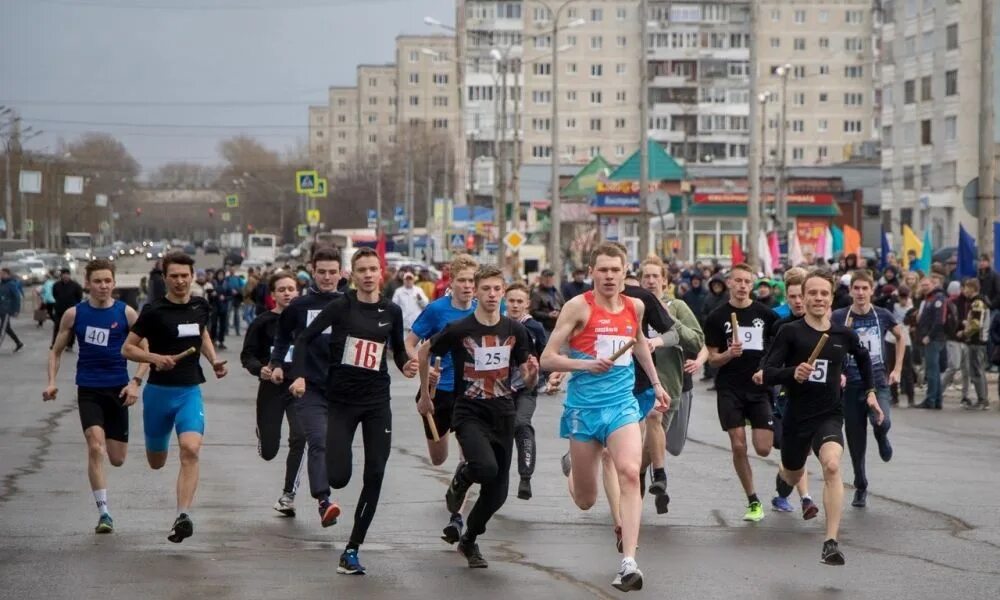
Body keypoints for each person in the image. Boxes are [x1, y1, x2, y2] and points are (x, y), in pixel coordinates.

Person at [540, 243, 669, 592]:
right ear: (592, 272)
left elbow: (639, 342)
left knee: (629, 472)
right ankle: (573, 467)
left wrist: (656, 384)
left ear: (626, 272)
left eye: (616, 270)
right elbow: (547, 359)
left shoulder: (635, 306)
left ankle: (629, 562)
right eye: (603, 270)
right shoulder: (577, 307)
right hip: (583, 410)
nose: (610, 276)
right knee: (586, 500)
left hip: (622, 405)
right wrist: (584, 364)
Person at [292, 247, 418, 575]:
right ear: (352, 273)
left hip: (377, 402)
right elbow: (304, 339)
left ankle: (352, 548)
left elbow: (399, 353)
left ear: (381, 272)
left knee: (375, 473)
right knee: (339, 476)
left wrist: (408, 366)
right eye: (361, 269)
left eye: (372, 269)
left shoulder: (391, 310)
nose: (367, 274)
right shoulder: (340, 307)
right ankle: (331, 495)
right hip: (342, 403)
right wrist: (300, 375)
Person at [418, 265, 539, 569]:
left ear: (503, 291)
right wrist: (425, 393)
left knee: (497, 494)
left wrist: (532, 375)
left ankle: (469, 539)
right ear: (477, 290)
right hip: (469, 411)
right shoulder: (461, 329)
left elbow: (525, 377)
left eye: (497, 289)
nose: (491, 294)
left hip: (503, 412)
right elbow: (424, 352)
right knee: (484, 468)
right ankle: (462, 478)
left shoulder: (515, 330)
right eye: (485, 288)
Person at [763, 271, 883, 565]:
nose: (818, 298)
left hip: (829, 414)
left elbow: (864, 359)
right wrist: (793, 373)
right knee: (792, 473)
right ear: (802, 298)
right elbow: (768, 371)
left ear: (831, 298)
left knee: (831, 465)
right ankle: (784, 479)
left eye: (824, 293)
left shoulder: (843, 334)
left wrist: (870, 392)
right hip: (796, 417)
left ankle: (830, 542)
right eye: (812, 293)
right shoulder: (790, 332)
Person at [122, 252, 228, 543]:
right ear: (165, 278)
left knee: (191, 449)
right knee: (157, 461)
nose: (180, 281)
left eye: (185, 275)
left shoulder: (200, 305)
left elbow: (202, 334)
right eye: (174, 276)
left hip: (189, 391)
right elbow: (128, 349)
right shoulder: (154, 311)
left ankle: (182, 515)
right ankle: (159, 453)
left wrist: (214, 360)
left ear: (193, 276)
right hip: (158, 394)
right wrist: (155, 357)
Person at [43, 259, 147, 534]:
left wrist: (135, 383)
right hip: (88, 389)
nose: (103, 286)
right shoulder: (74, 315)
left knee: (117, 458)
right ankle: (104, 513)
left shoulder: (126, 314)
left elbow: (146, 352)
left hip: (119, 390)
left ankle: (105, 504)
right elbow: (55, 351)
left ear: (114, 283)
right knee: (94, 445)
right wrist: (52, 382)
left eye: (107, 281)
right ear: (88, 283)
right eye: (98, 281)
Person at [404, 254, 478, 544]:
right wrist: (419, 366)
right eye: (462, 280)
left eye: (473, 281)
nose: (468, 286)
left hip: (470, 391)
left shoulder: (482, 310)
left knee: (467, 456)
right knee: (438, 458)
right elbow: (411, 343)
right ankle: (455, 490)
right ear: (452, 281)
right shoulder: (437, 310)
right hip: (437, 392)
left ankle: (456, 518)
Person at [267, 247, 344, 528]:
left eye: (332, 272)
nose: (326, 277)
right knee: (317, 440)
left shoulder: (349, 303)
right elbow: (282, 337)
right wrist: (277, 363)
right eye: (321, 272)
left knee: (337, 448)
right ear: (313, 272)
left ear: (341, 273)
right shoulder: (300, 306)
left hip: (341, 386)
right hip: (307, 385)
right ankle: (324, 501)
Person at [704, 263, 777, 522]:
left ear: (752, 285)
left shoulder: (766, 315)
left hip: (758, 388)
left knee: (764, 448)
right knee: (738, 445)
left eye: (747, 281)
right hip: (730, 387)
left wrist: (769, 369)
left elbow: (778, 348)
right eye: (738, 281)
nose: (743, 286)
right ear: (730, 284)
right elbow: (711, 359)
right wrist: (727, 354)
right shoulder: (716, 317)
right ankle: (753, 500)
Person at [831, 270, 903, 508]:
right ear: (850, 291)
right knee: (855, 440)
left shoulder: (882, 315)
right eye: (856, 288)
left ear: (872, 290)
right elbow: (828, 342)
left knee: (882, 421)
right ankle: (860, 485)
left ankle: (882, 437)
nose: (860, 293)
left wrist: (898, 369)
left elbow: (901, 336)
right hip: (850, 384)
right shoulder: (840, 316)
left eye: (865, 288)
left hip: (878, 380)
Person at [641, 257, 704, 514]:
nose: (651, 280)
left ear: (665, 281)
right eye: (646, 276)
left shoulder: (677, 306)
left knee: (646, 442)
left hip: (667, 385)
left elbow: (697, 341)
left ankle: (648, 480)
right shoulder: (633, 306)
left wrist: (670, 321)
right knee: (632, 444)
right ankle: (653, 480)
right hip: (633, 385)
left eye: (656, 276)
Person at [239, 272, 305, 517]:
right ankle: (263, 434)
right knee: (269, 451)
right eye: (282, 289)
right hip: (270, 388)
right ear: (273, 295)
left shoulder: (306, 322)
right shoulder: (262, 322)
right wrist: (261, 369)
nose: (287, 293)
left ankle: (288, 495)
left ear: (298, 292)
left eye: (291, 288)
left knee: (300, 436)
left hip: (297, 388)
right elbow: (247, 356)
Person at [754, 269, 818, 518]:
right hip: (784, 391)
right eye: (792, 297)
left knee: (803, 451)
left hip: (815, 394)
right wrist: (764, 372)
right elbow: (768, 357)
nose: (798, 301)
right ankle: (805, 498)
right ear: (787, 297)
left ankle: (783, 492)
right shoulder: (779, 324)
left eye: (801, 296)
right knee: (792, 447)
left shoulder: (820, 323)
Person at [503, 283, 548, 500]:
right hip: (498, 389)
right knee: (499, 432)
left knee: (521, 423)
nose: (515, 305)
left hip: (525, 388)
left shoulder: (535, 328)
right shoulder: (497, 323)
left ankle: (525, 477)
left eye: (520, 301)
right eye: (511, 300)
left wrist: (545, 376)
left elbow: (545, 355)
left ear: (527, 304)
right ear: (505, 301)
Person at [916, 272, 948, 409]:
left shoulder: (937, 299)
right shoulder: (929, 298)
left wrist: (929, 336)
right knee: (934, 371)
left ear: (934, 284)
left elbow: (939, 321)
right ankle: (937, 400)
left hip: (934, 339)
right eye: (922, 285)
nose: (924, 287)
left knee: (932, 371)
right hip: (932, 338)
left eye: (927, 285)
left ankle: (930, 400)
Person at [957, 278, 990, 409]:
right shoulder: (979, 302)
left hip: (976, 340)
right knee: (978, 370)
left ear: (972, 288)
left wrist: (964, 333)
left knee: (976, 371)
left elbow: (976, 324)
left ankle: (982, 400)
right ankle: (983, 399)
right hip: (979, 341)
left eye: (966, 287)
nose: (964, 290)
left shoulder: (977, 302)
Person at [886, 286, 916, 407]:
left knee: (907, 369)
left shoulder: (911, 308)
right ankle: (894, 397)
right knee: (891, 368)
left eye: (905, 297)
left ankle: (911, 398)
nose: (903, 300)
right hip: (890, 339)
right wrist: (892, 296)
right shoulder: (893, 305)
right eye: (901, 297)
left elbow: (911, 322)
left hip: (905, 339)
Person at [52, 268, 84, 350]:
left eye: (67, 274)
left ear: (69, 275)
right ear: (61, 276)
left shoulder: (75, 285)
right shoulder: (56, 285)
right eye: (63, 274)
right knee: (57, 327)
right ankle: (55, 343)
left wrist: (74, 305)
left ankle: (70, 344)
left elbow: (79, 297)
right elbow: (54, 294)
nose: (65, 276)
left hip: (71, 311)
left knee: (71, 328)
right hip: (60, 309)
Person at [529, 268, 565, 332]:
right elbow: (533, 312)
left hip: (558, 327)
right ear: (541, 279)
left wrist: (559, 313)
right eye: (546, 277)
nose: (548, 279)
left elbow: (564, 306)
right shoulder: (536, 293)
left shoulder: (557, 292)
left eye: (550, 277)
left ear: (553, 279)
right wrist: (548, 315)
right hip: (544, 328)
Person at [0, 267, 24, 352]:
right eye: (0, 274)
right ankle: (18, 343)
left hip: (6, 309)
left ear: (7, 275)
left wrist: (16, 310)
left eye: (3, 274)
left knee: (3, 328)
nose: (1, 275)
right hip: (1, 308)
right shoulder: (2, 284)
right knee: (7, 328)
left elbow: (17, 297)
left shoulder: (11, 284)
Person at [226, 267, 244, 336]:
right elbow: (225, 287)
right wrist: (231, 291)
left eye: (233, 270)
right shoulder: (227, 279)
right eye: (231, 270)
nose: (232, 271)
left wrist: (237, 291)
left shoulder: (238, 278)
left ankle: (237, 331)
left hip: (237, 299)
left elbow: (242, 287)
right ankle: (226, 330)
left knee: (237, 315)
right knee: (228, 314)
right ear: (229, 271)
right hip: (229, 298)